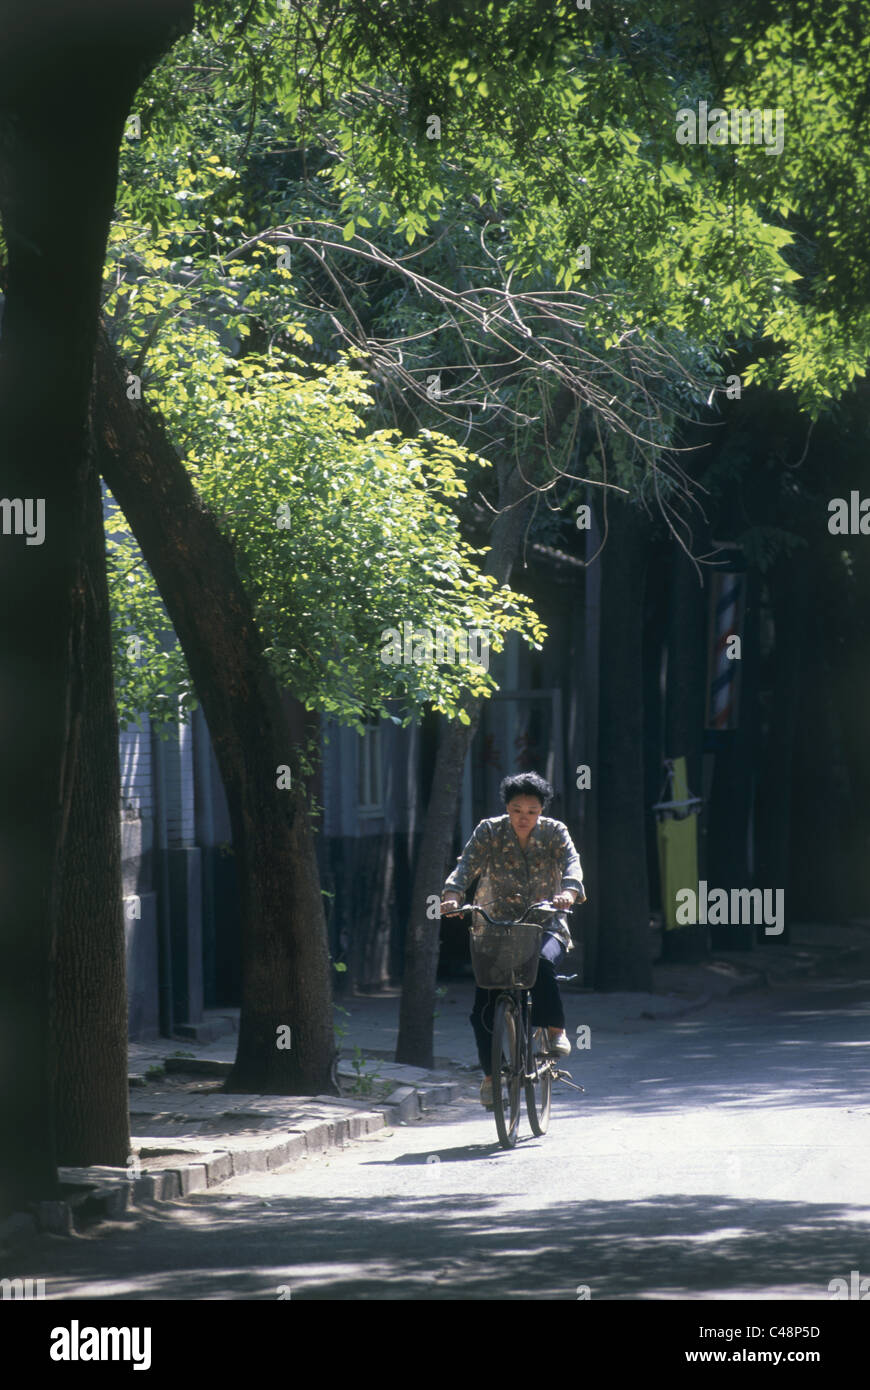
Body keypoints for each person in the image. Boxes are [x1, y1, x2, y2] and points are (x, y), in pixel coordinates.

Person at [440, 772, 586, 1108]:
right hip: (495, 927)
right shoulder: (489, 831)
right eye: (517, 810)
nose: (524, 817)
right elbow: (465, 868)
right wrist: (451, 896)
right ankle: (491, 1079)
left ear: (541, 811)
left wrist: (568, 892)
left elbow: (572, 864)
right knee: (482, 1009)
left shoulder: (555, 832)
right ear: (507, 808)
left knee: (544, 962)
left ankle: (554, 1029)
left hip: (545, 922)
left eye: (532, 811)